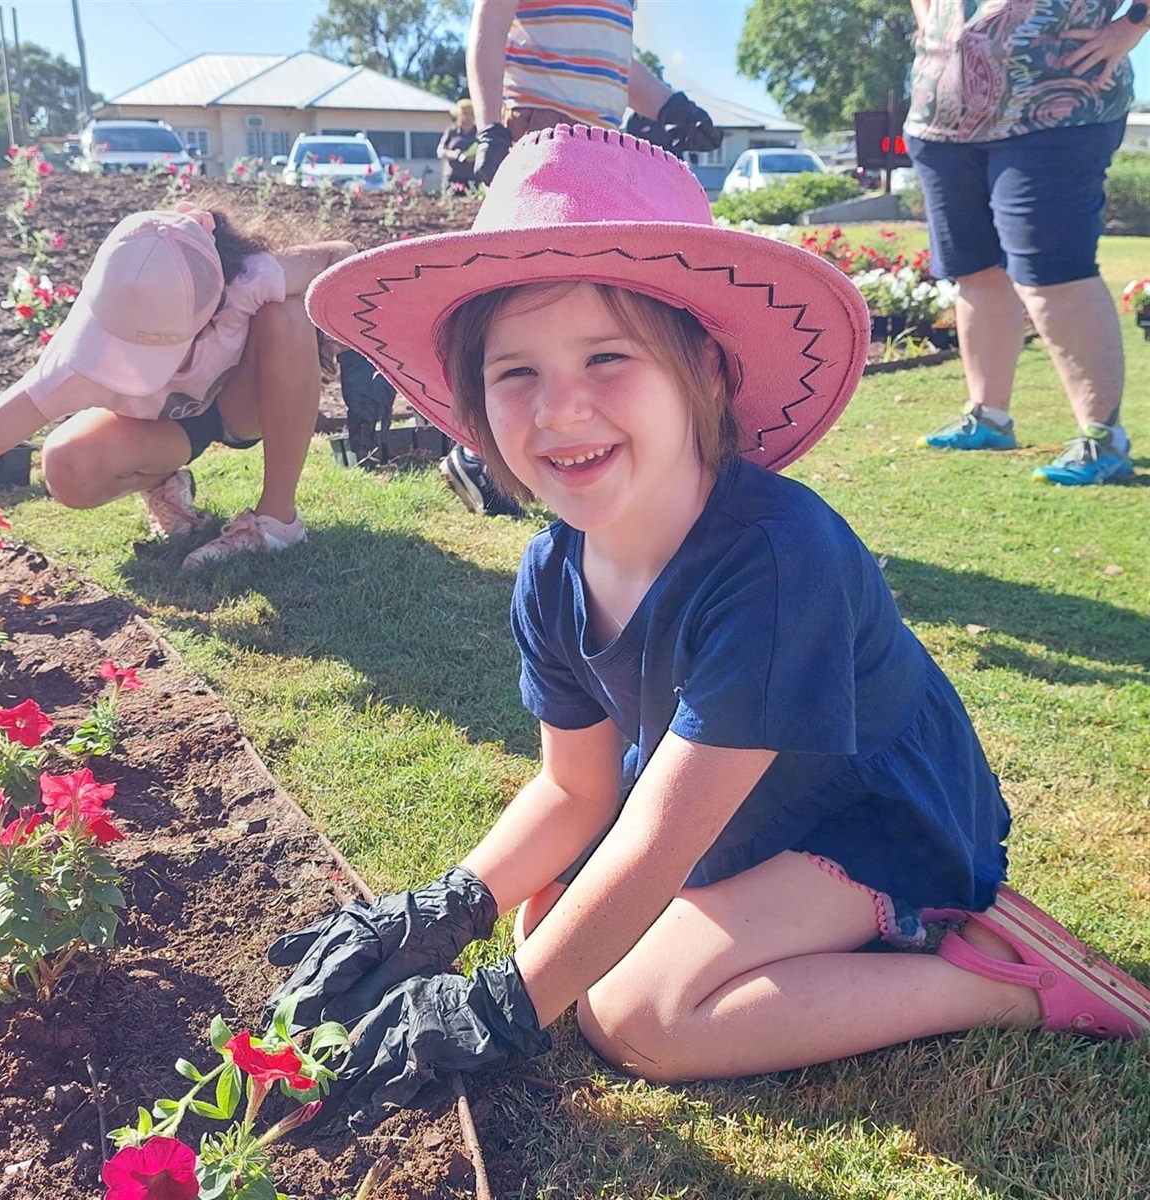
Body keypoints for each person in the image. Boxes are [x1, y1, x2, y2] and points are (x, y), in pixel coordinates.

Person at [271, 127, 1150, 1128]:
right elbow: (574, 788)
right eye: (514, 373)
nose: (561, 408)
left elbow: (653, 841)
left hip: (867, 815)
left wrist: (498, 1004)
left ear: (709, 375)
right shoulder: (551, 570)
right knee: (547, 919)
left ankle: (1000, 978)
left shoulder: (779, 557)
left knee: (639, 1016)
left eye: (607, 356)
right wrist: (441, 907)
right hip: (729, 802)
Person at [437, 0, 723, 517]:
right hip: (540, 138)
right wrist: (488, 127)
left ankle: (485, 458)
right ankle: (483, 455)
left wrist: (671, 105)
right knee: (530, 306)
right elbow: (490, 24)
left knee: (584, 308)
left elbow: (617, 61)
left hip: (600, 143)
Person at [0, 204, 354, 567]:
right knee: (66, 466)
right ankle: (164, 481)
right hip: (162, 429)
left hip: (243, 404)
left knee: (287, 313)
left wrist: (347, 347)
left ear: (212, 309)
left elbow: (343, 258)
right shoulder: (77, 359)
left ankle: (276, 521)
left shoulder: (246, 279)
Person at [906, 0, 1147, 485]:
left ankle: (1103, 438)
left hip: (1057, 110)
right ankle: (989, 416)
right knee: (974, 271)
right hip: (942, 119)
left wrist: (1133, 24)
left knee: (1052, 275)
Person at [436, 98, 479, 192]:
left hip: (472, 179)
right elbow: (440, 151)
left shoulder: (478, 133)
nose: (466, 119)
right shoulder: (452, 131)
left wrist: (474, 157)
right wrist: (454, 154)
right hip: (452, 177)